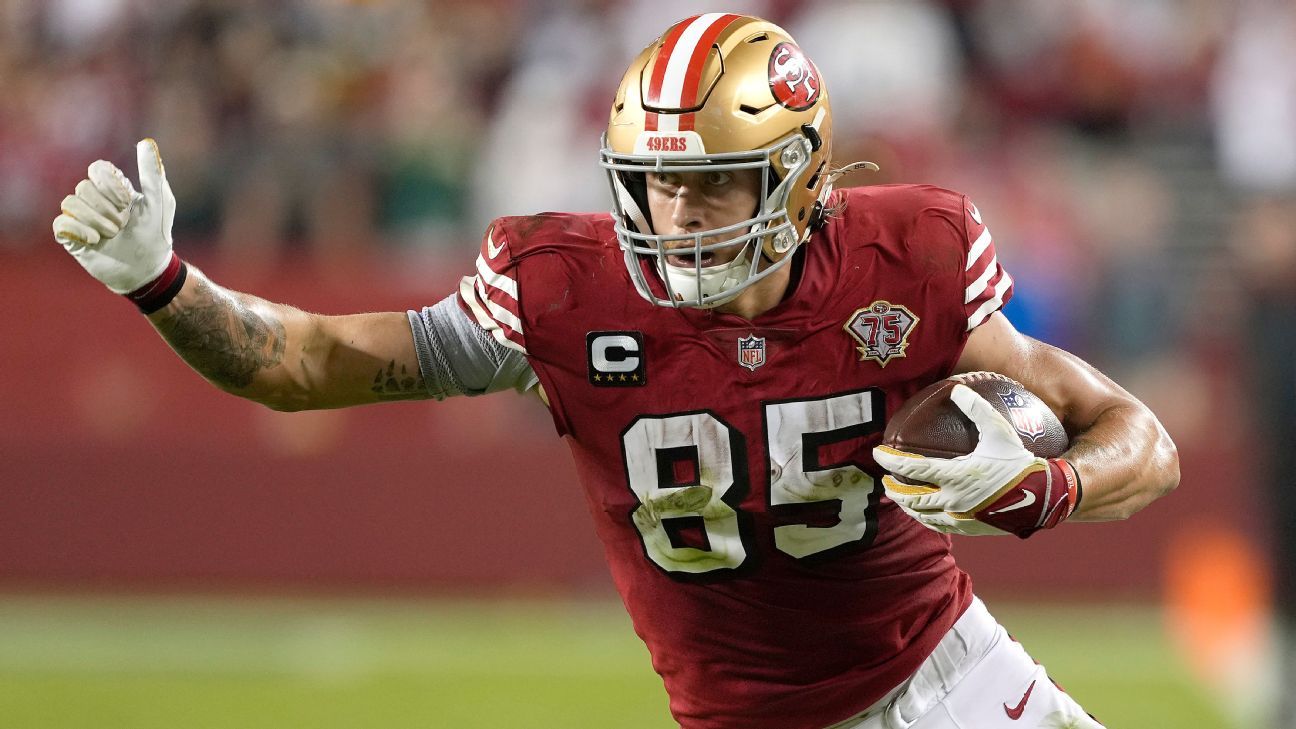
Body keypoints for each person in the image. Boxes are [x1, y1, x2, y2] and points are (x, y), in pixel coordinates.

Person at [51, 14, 1179, 729]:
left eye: (716, 185)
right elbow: (304, 365)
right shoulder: (560, 289)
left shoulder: (908, 256)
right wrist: (164, 282)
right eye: (652, 184)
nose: (676, 215)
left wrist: (1053, 486)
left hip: (949, 681)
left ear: (795, 179)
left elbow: (1140, 435)